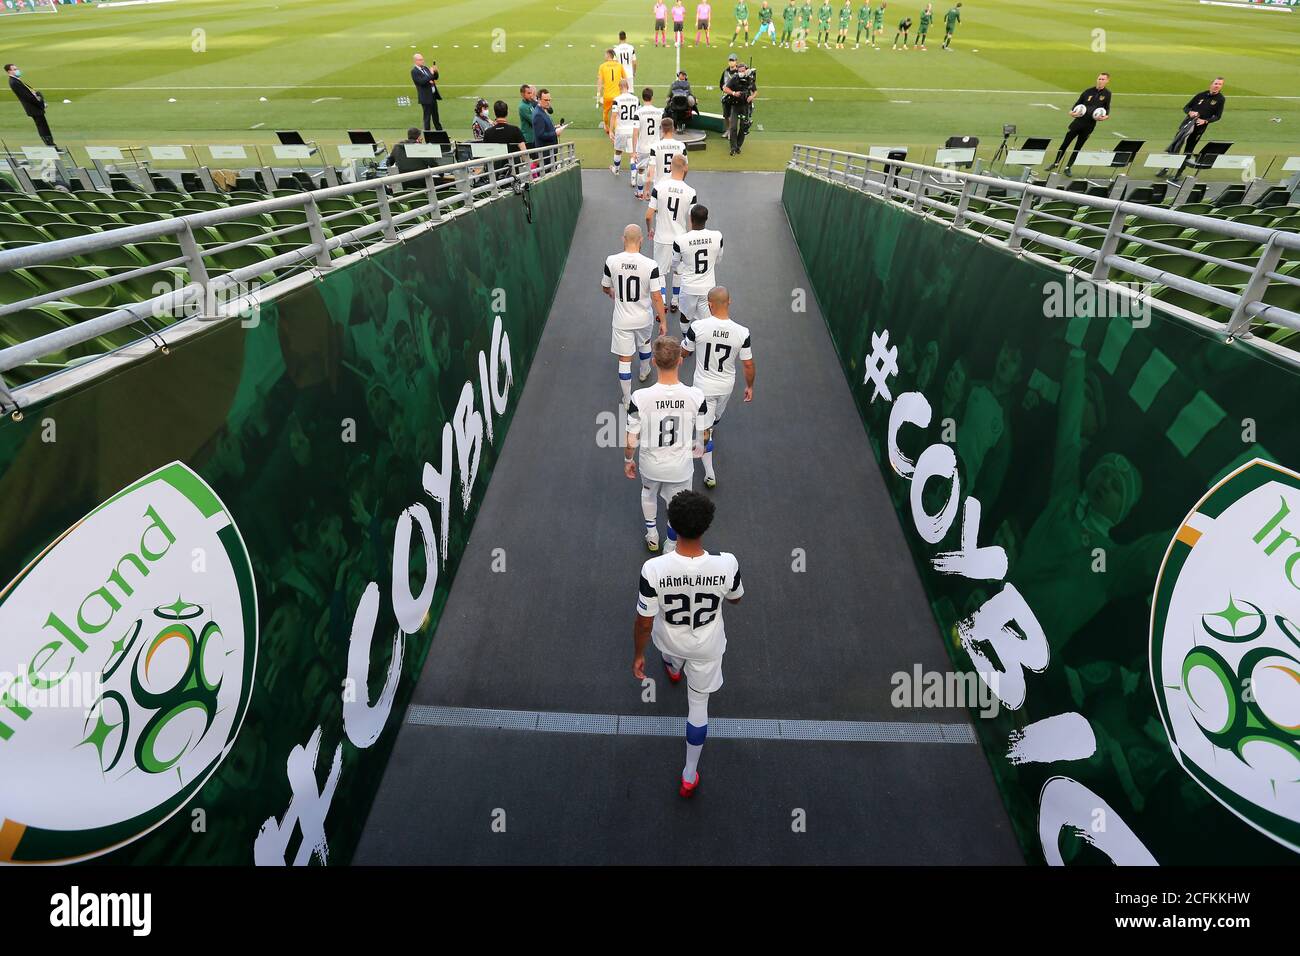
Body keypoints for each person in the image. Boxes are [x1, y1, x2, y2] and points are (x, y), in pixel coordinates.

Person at [632, 488, 743, 797]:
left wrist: (639, 654)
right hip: (707, 646)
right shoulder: (727, 563)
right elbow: (736, 599)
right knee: (698, 706)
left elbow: (644, 621)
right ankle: (689, 774)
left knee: (670, 655)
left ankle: (672, 667)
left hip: (670, 638)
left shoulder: (653, 569)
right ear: (706, 525)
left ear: (672, 523)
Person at [625, 338, 713, 554]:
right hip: (680, 467)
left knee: (648, 493)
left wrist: (628, 460)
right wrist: (699, 449)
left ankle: (652, 534)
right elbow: (705, 433)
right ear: (680, 362)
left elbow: (631, 438)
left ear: (654, 361)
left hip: (650, 464)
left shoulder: (639, 397)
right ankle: (671, 545)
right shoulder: (696, 396)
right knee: (678, 506)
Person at [681, 286, 753, 489]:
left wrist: (676, 357)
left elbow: (685, 351)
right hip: (726, 387)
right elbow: (748, 364)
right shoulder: (742, 332)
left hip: (703, 388)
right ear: (729, 302)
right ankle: (710, 472)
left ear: (709, 305)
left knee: (704, 430)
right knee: (712, 422)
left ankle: (706, 448)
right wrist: (750, 386)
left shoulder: (698, 327)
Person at [603, 223, 667, 406]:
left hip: (622, 320)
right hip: (644, 318)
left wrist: (611, 292)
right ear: (641, 240)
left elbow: (605, 286)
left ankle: (627, 397)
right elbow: (656, 296)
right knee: (645, 342)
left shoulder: (611, 261)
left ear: (623, 239)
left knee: (624, 359)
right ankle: (644, 370)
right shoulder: (650, 265)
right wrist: (663, 320)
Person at [646, 154, 698, 315]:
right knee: (678, 271)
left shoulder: (659, 188)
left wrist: (650, 230)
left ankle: (661, 305)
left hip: (661, 238)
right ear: (686, 168)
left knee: (660, 273)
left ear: (670, 168)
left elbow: (648, 215)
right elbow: (692, 219)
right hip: (680, 239)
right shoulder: (691, 192)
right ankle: (675, 300)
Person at [671, 204, 724, 334]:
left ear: (691, 219)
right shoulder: (717, 236)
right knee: (707, 320)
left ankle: (687, 341)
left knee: (685, 316)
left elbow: (675, 264)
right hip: (708, 288)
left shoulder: (680, 240)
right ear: (707, 218)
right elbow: (718, 259)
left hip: (688, 287)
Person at [1047, 72, 1112, 178]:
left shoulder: (1107, 94)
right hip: (1077, 123)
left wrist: (1105, 117)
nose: (1100, 81)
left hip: (1089, 125)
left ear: (1107, 81)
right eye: (1099, 79)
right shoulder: (1088, 91)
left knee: (1078, 147)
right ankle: (1055, 163)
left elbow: (1107, 108)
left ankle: (1068, 167)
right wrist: (1072, 112)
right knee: (1065, 144)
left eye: (1103, 79)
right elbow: (1077, 104)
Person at [1173, 77, 1226, 157]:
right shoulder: (1201, 95)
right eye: (1216, 83)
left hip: (1199, 128)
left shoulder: (1220, 99)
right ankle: (1167, 167)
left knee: (1189, 149)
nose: (1217, 86)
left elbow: (1217, 116)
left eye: (1220, 84)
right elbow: (1186, 107)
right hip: (1188, 124)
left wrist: (1205, 121)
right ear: (1211, 85)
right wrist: (1190, 112)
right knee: (1177, 143)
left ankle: (1181, 168)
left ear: (1221, 86)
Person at [5, 63, 54, 147]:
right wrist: (40, 103)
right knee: (43, 127)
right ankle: (50, 145)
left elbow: (30, 93)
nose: (17, 70)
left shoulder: (16, 80)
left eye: (17, 68)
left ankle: (51, 144)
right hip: (33, 107)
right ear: (9, 71)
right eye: (15, 69)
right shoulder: (14, 82)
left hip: (33, 107)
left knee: (43, 126)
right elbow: (28, 97)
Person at [643, 115, 686, 199]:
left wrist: (647, 189)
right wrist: (681, 180)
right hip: (676, 186)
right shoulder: (681, 146)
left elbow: (650, 172)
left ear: (661, 129)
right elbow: (686, 168)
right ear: (673, 128)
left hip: (660, 187)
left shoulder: (655, 147)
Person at [483, 99, 527, 179]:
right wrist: (524, 164)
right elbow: (524, 151)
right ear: (507, 112)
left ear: (495, 112)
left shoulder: (488, 133)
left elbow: (486, 154)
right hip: (514, 169)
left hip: (495, 171)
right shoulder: (515, 130)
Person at [632, 86, 664, 194]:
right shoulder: (659, 112)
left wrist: (633, 151)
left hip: (643, 147)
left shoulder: (638, 113)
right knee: (655, 172)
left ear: (642, 98)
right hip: (656, 147)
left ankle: (640, 193)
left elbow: (635, 133)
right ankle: (656, 195)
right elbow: (663, 130)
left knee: (641, 170)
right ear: (652, 97)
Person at [722, 61, 757, 155]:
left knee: (743, 127)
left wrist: (751, 97)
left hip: (745, 107)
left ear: (746, 70)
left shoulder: (750, 79)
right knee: (733, 127)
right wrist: (734, 93)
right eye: (740, 71)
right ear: (737, 71)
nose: (741, 72)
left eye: (743, 70)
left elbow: (755, 91)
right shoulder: (734, 78)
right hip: (735, 106)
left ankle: (738, 146)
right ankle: (733, 147)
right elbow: (725, 88)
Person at [610, 79, 640, 177]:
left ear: (619, 87)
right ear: (628, 86)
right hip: (632, 130)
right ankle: (633, 176)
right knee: (633, 153)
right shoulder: (636, 99)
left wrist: (610, 130)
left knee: (618, 150)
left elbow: (614, 116)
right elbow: (639, 114)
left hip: (621, 130)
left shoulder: (617, 100)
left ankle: (616, 170)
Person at [410, 53, 442, 132]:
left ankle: (440, 133)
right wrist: (430, 74)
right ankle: (428, 135)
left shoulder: (425, 68)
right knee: (427, 118)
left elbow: (435, 77)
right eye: (420, 60)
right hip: (426, 97)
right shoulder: (414, 71)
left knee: (436, 117)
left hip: (433, 96)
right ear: (415, 61)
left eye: (422, 59)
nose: (422, 61)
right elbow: (422, 82)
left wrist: (435, 71)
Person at [597, 48, 625, 134]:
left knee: (605, 112)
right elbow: (625, 79)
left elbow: (600, 81)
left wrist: (598, 93)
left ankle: (607, 127)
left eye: (605, 54)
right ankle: (616, 131)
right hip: (617, 96)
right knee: (616, 115)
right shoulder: (619, 65)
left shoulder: (602, 66)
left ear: (609, 55)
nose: (604, 56)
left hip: (607, 95)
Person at [532, 88, 560, 154]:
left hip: (549, 152)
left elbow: (545, 128)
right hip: (545, 153)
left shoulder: (543, 110)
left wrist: (555, 128)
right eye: (546, 100)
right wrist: (555, 133)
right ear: (538, 100)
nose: (548, 102)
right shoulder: (538, 114)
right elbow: (541, 135)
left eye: (549, 100)